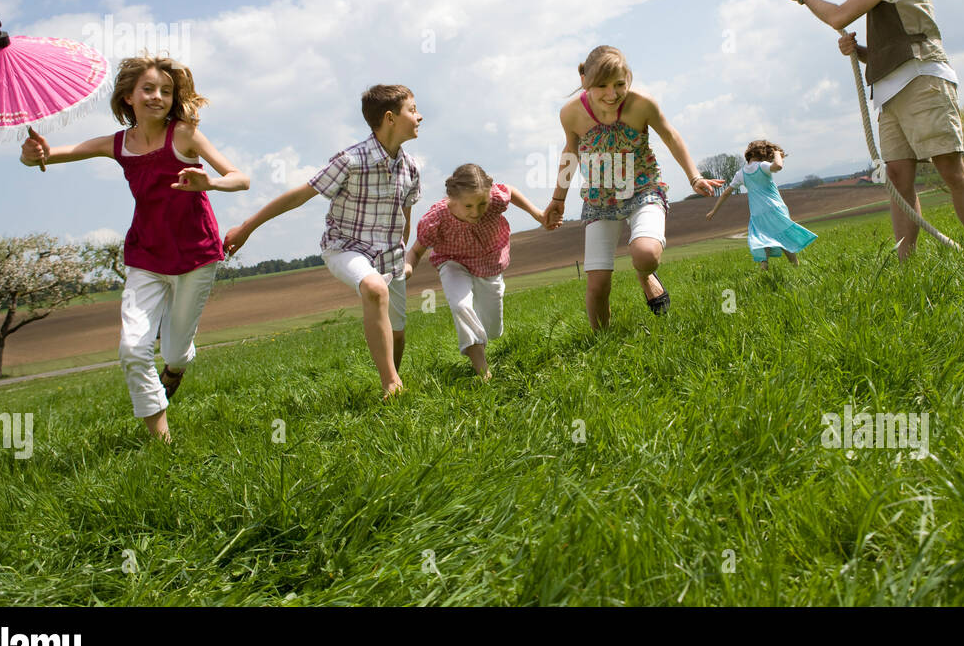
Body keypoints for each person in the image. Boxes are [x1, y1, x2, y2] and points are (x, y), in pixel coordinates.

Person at [20, 54, 248, 442]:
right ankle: (161, 439)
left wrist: (208, 183)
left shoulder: (185, 134)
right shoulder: (118, 144)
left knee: (175, 354)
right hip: (146, 256)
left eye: (166, 90)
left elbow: (240, 179)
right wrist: (34, 155)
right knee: (132, 347)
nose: (157, 96)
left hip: (195, 255)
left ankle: (177, 366)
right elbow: (55, 155)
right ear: (128, 96)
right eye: (148, 89)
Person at [780, 0, 964, 260]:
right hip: (891, 90)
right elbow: (889, 45)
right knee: (897, 178)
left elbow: (839, 16)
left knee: (950, 167)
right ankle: (906, 265)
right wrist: (861, 51)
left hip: (921, 78)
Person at [223, 85, 421, 398]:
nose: (419, 116)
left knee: (397, 331)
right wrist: (247, 228)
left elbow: (404, 221)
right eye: (412, 109)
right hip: (345, 249)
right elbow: (300, 196)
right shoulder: (351, 161)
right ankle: (391, 384)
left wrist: (402, 261)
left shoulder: (410, 168)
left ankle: (392, 383)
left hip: (390, 258)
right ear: (390, 118)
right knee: (373, 288)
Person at [542, 45, 724, 329]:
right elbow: (570, 153)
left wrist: (694, 177)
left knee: (646, 254)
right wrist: (558, 199)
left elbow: (671, 136)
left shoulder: (642, 105)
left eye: (619, 84)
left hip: (643, 189)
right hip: (599, 200)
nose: (612, 95)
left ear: (629, 78)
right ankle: (602, 345)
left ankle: (644, 274)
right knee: (598, 285)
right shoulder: (571, 113)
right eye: (601, 86)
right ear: (584, 80)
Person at [405, 164, 547, 380]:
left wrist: (538, 214)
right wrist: (408, 267)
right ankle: (483, 371)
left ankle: (482, 335)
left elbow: (511, 190)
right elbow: (415, 251)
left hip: (489, 262)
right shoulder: (436, 219)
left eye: (482, 204)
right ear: (452, 198)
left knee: (492, 330)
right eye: (468, 206)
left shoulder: (495, 199)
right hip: (453, 263)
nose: (476, 212)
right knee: (460, 305)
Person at [705, 140, 816, 269]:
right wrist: (777, 153)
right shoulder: (762, 166)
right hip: (775, 208)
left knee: (763, 239)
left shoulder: (740, 174)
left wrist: (714, 210)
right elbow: (778, 166)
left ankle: (764, 265)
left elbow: (725, 193)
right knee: (783, 237)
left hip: (758, 213)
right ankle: (796, 267)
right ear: (763, 154)